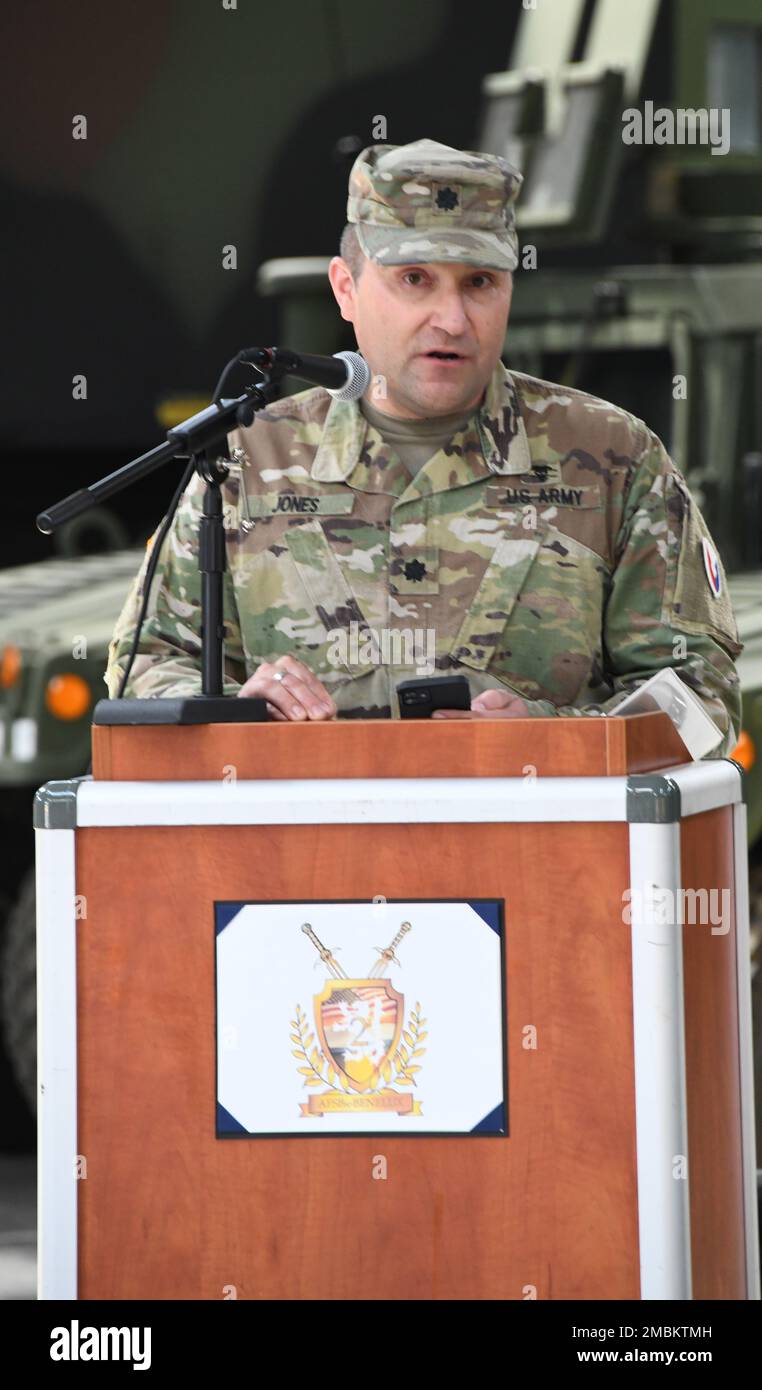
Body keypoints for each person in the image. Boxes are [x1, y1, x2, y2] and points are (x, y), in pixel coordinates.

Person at [105, 138, 742, 751]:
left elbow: (704, 702)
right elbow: (145, 668)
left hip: (539, 854)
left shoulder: (614, 457)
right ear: (346, 289)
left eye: (480, 283)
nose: (453, 319)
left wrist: (555, 737)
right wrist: (239, 707)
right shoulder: (250, 458)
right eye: (415, 279)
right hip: (306, 854)